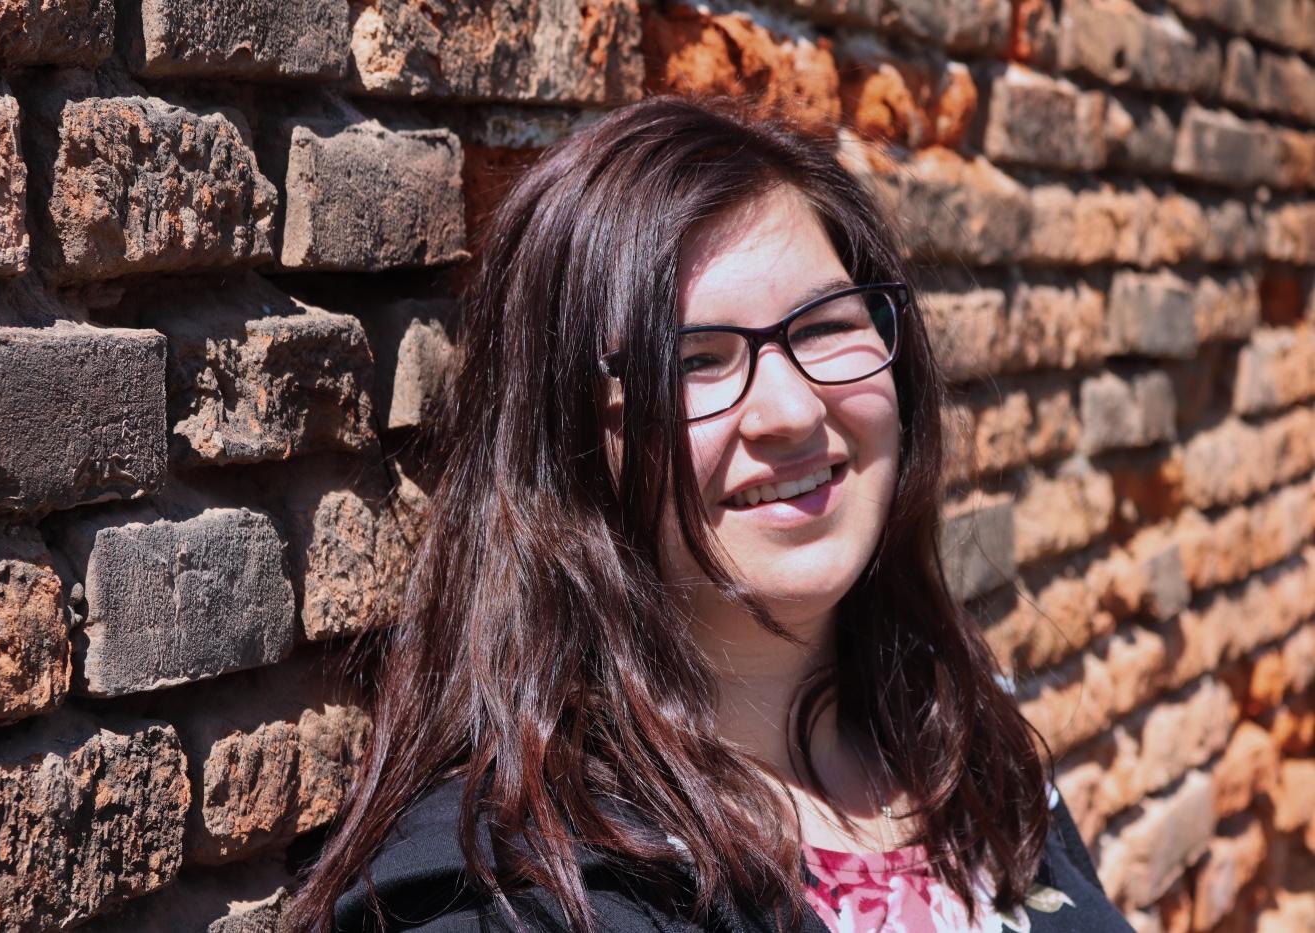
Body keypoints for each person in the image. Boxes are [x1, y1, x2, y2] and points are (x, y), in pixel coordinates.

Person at [288, 97, 1134, 933]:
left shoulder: (957, 740)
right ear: (568, 435)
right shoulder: (515, 900)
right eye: (692, 360)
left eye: (827, 325)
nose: (793, 411)